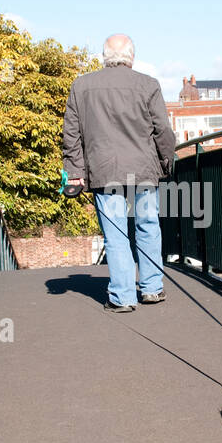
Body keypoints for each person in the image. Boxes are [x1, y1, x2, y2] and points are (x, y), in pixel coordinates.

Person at [63, 33, 176, 312]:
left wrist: (75, 172)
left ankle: (123, 296)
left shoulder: (82, 85)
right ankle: (151, 288)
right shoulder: (148, 85)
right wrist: (167, 161)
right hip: (143, 169)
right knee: (148, 226)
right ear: (131, 57)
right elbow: (162, 130)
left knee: (116, 234)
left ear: (104, 57)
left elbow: (71, 135)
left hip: (104, 170)